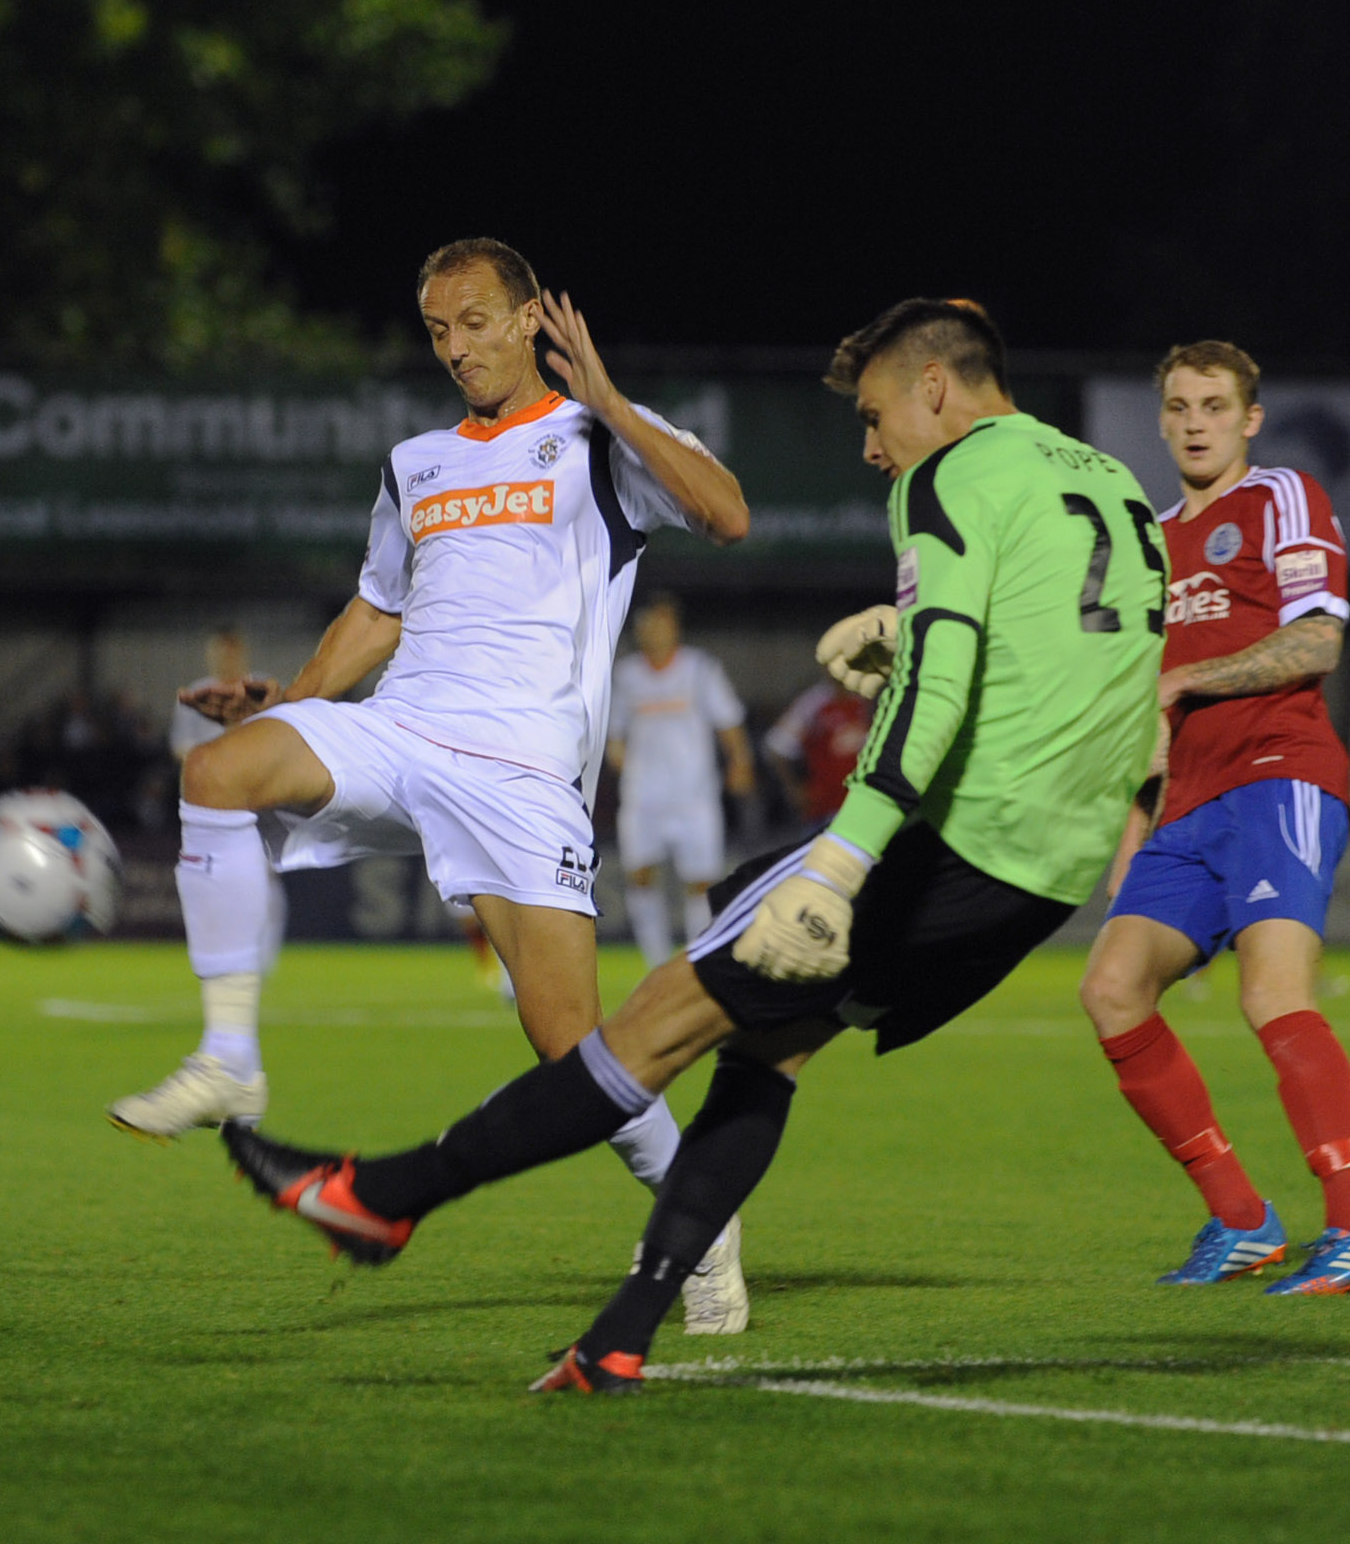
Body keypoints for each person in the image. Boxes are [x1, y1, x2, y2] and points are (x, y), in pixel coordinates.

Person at [219, 296, 1166, 1394]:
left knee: (650, 1025)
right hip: (1039, 881)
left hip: (946, 842)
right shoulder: (1108, 481)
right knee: (770, 1044)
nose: (869, 447)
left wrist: (843, 858)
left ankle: (383, 1199)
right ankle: (623, 1331)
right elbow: (1104, 668)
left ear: (936, 389)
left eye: (873, 416)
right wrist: (911, 642)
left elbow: (943, 690)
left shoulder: (945, 478)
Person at [106, 237, 754, 1333]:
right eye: (437, 332)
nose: (455, 349)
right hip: (403, 730)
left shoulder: (599, 437)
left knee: (572, 1051)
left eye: (473, 324)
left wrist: (609, 398)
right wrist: (289, 708)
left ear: (528, 319)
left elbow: (728, 515)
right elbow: (378, 612)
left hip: (520, 773)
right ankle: (227, 1057)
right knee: (217, 770)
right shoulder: (418, 465)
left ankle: (701, 1219)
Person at [1079, 340, 1350, 1296]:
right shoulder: (1145, 543)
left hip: (1279, 777)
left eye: (1214, 407)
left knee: (1272, 994)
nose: (1194, 423)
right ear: (1161, 418)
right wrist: (1136, 824)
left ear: (1249, 418)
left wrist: (1186, 676)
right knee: (1111, 989)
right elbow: (1140, 711)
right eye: (1179, 406)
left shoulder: (1282, 498)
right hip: (1185, 807)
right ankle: (1240, 1217)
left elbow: (1317, 640)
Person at [606, 593, 755, 967]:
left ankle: (696, 960)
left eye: (663, 622)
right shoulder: (626, 676)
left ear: (674, 627)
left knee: (701, 880)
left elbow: (728, 721)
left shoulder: (700, 669)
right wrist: (620, 760)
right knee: (641, 875)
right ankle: (655, 963)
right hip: (643, 797)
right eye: (649, 623)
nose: (656, 630)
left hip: (694, 796)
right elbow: (615, 734)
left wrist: (740, 762)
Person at [166, 628, 290, 985]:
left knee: (263, 874)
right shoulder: (197, 694)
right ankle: (225, 960)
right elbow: (180, 747)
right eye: (220, 653)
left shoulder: (261, 690)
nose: (225, 660)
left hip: (258, 795)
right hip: (212, 798)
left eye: (231, 653)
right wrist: (218, 759)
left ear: (242, 654)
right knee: (213, 875)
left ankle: (257, 963)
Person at [763, 679, 874, 828]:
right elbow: (777, 746)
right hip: (826, 809)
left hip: (868, 805)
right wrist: (793, 788)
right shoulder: (814, 702)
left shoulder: (873, 699)